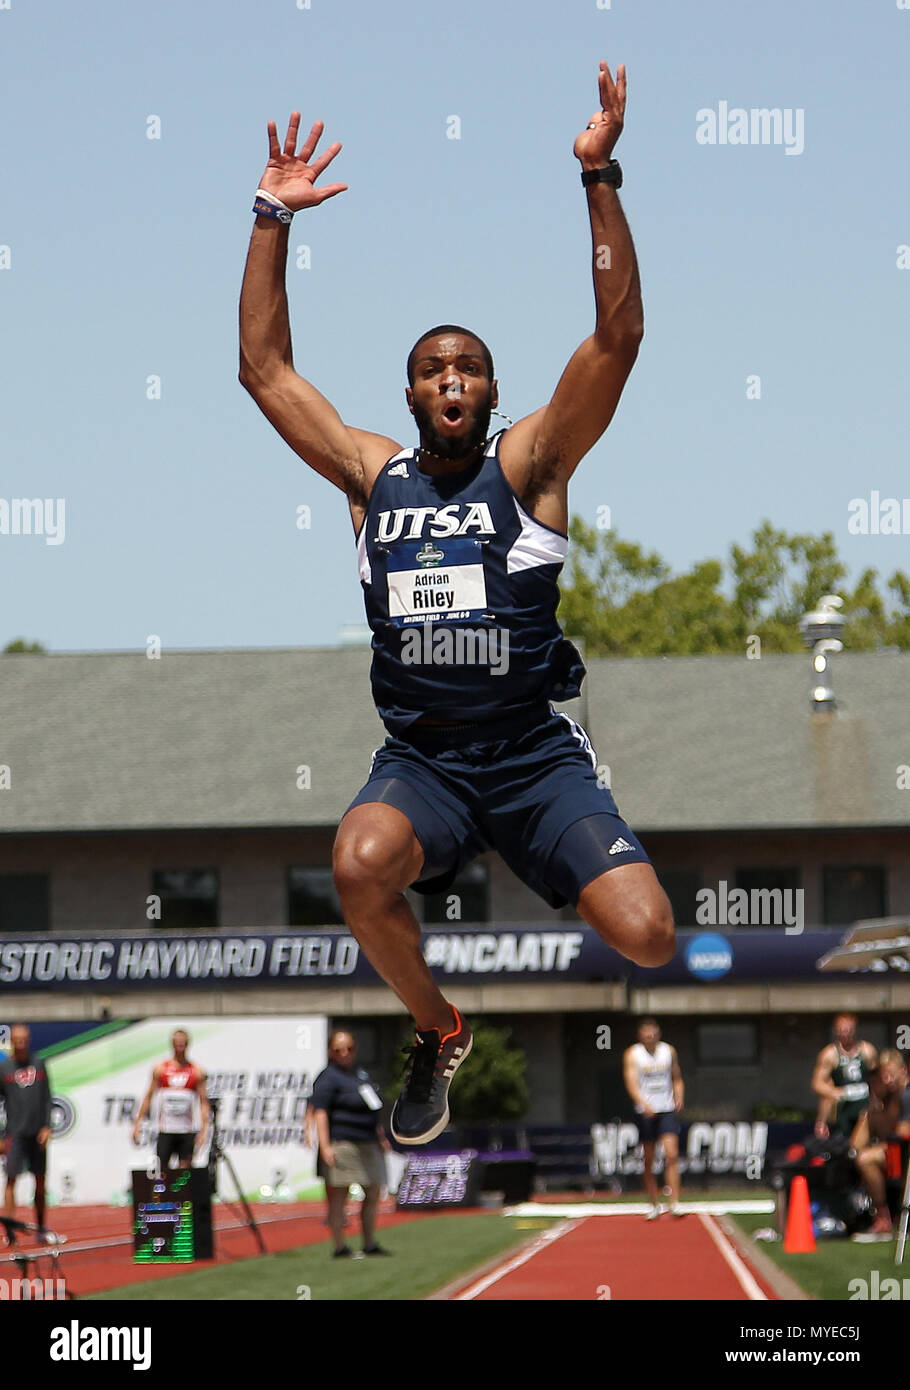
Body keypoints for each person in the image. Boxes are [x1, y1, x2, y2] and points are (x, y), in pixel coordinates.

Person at [239, 60, 675, 1146]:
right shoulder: (369, 475)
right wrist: (268, 219)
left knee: (650, 936)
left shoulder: (530, 466)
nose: (450, 379)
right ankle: (436, 1028)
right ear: (407, 392)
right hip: (425, 759)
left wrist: (600, 175)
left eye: (469, 369)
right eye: (432, 367)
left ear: (489, 391)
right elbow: (262, 367)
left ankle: (556, 867)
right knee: (355, 863)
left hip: (529, 754)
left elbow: (617, 341)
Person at [309, 1030, 392, 1258]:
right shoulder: (328, 1077)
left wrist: (380, 1136)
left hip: (367, 1141)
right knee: (339, 1194)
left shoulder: (361, 1074)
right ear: (330, 1052)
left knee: (373, 1190)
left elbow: (372, 1108)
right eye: (338, 1049)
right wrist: (324, 1146)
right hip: (342, 1142)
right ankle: (340, 1246)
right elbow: (320, 1112)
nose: (344, 1053)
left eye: (349, 1048)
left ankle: (369, 1242)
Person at [623, 1019, 684, 1219]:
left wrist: (679, 1096)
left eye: (653, 1033)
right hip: (645, 1112)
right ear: (640, 1035)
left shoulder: (669, 1051)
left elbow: (676, 1077)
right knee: (648, 1158)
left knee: (671, 1155)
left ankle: (674, 1202)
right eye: (646, 1033)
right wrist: (644, 1103)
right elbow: (631, 1083)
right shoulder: (633, 1054)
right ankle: (653, 1202)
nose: (650, 1037)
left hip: (666, 1109)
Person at [849, 1049, 910, 1240]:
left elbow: (903, 1133)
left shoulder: (906, 1095)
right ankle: (877, 1214)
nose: (887, 1078)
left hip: (904, 1153)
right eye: (884, 1074)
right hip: (896, 1152)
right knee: (858, 1153)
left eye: (891, 1073)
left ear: (903, 1070)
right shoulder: (888, 1098)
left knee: (866, 1159)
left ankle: (883, 1217)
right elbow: (857, 1143)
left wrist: (884, 1144)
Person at [131, 1029, 210, 1172]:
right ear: (172, 1044)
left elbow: (204, 1102)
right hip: (166, 1129)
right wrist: (138, 1123)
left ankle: (181, 1194)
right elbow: (149, 1096)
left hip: (186, 1130)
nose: (180, 1046)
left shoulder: (196, 1071)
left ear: (187, 1044)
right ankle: (163, 1194)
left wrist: (204, 1130)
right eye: (177, 1042)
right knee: (162, 1171)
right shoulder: (161, 1069)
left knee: (184, 1172)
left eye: (183, 1043)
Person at [0, 1024, 53, 1236]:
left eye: (24, 1040)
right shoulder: (4, 1069)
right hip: (15, 1133)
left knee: (40, 1181)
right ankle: (10, 1231)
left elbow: (48, 1098)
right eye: (17, 1040)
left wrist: (47, 1126)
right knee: (11, 1179)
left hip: (37, 1133)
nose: (20, 1044)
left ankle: (41, 1227)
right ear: (11, 1041)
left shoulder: (39, 1063)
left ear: (29, 1040)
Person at [811, 1013, 878, 1141]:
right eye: (841, 1030)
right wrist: (836, 1092)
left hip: (865, 1104)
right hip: (844, 1106)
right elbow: (817, 1083)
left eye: (848, 1030)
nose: (845, 1034)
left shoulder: (867, 1050)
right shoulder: (830, 1054)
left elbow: (877, 1077)